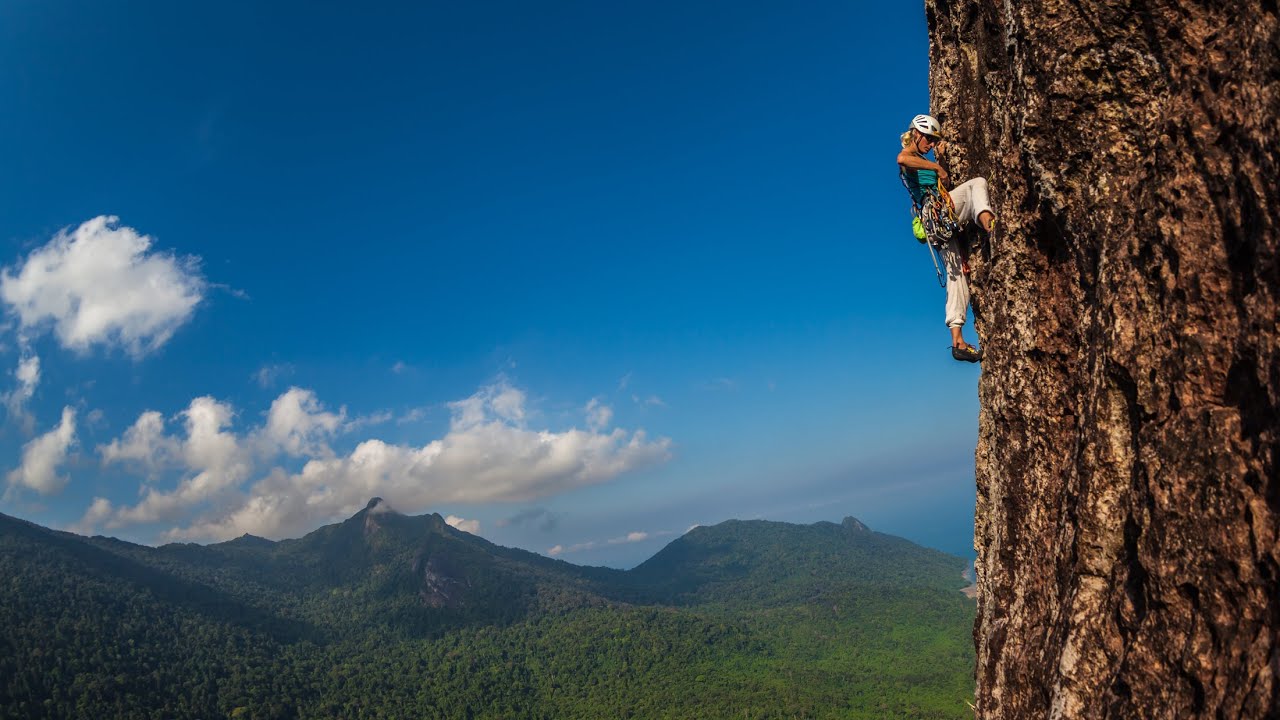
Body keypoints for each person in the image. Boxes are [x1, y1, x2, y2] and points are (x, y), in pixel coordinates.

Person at [897, 113, 995, 363]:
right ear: (916, 134)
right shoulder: (910, 158)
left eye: (933, 140)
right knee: (977, 184)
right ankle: (990, 224)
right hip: (938, 214)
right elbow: (902, 158)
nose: (930, 144)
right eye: (927, 138)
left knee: (957, 276)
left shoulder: (921, 160)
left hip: (938, 220)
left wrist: (939, 160)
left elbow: (943, 180)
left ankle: (957, 340)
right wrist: (937, 166)